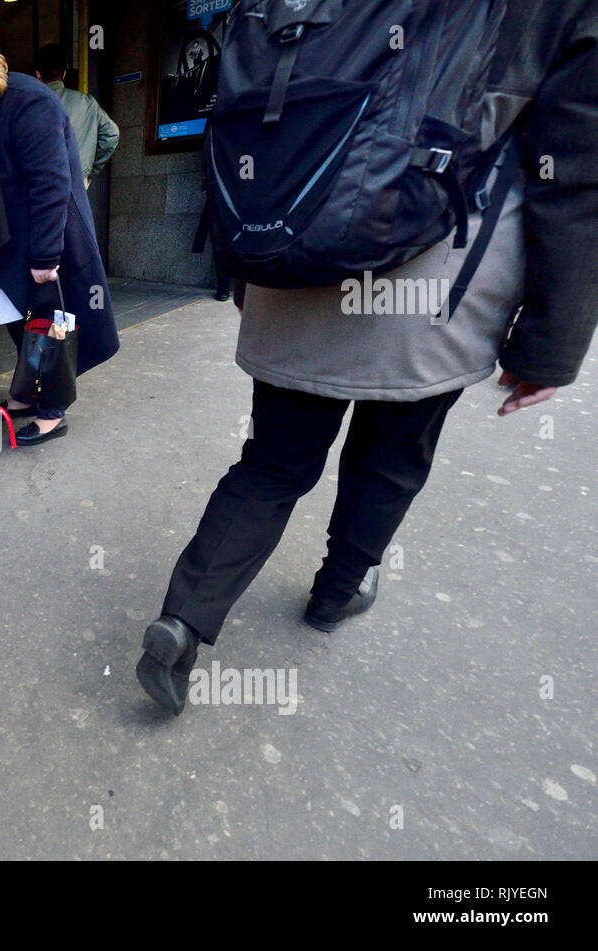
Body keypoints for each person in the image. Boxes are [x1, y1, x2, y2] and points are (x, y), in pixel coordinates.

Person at [136, 2, 598, 715]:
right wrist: (552, 341)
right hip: (431, 276)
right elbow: (573, 165)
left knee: (273, 460)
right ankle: (339, 589)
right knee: (393, 453)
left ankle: (184, 618)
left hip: (292, 257)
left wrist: (241, 261)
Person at [0, 35, 119, 445]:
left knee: (47, 328)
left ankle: (52, 413)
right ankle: (31, 395)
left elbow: (51, 182)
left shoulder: (28, 101)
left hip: (39, 244)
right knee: (25, 326)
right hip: (14, 245)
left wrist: (46, 257)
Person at [35, 43, 119, 188]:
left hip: (40, 183)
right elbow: (111, 134)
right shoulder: (87, 102)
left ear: (38, 74)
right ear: (64, 74)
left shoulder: (30, 105)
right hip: (77, 179)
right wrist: (89, 170)